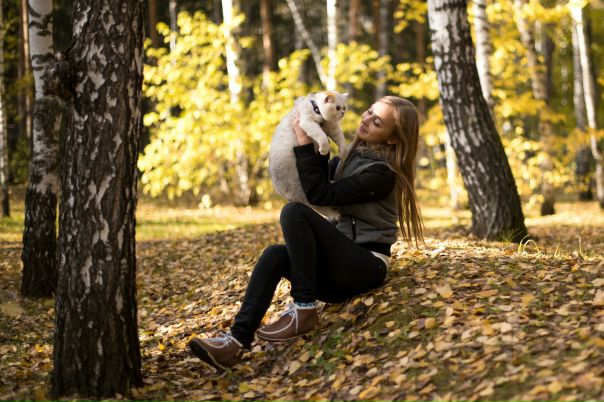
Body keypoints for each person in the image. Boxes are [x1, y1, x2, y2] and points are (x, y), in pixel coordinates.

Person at [188, 96, 424, 370]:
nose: (366, 119)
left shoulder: (382, 174)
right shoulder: (351, 158)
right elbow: (318, 179)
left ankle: (303, 307)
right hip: (338, 271)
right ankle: (236, 342)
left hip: (365, 266)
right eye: (369, 111)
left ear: (393, 139)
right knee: (275, 255)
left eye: (377, 122)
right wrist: (311, 141)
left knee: (294, 212)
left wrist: (303, 141)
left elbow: (319, 194)